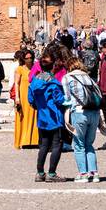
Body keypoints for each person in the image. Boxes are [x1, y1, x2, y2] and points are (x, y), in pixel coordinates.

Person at [28, 54, 68, 182]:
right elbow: (59, 100)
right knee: (57, 145)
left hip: (42, 118)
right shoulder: (54, 84)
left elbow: (31, 100)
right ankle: (51, 173)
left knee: (43, 146)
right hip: (54, 117)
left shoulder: (34, 82)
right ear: (52, 67)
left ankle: (40, 173)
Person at [63, 56, 101, 182]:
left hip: (79, 112)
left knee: (79, 144)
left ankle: (83, 174)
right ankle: (94, 173)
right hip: (94, 112)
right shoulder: (88, 77)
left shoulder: (67, 78)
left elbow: (67, 98)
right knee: (89, 144)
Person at [12, 48, 39, 149]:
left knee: (34, 116)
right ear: (23, 59)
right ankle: (24, 140)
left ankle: (34, 140)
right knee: (23, 117)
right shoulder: (19, 69)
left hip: (34, 96)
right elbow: (16, 84)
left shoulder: (35, 69)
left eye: (31, 58)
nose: (29, 60)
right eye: (27, 58)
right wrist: (17, 98)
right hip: (23, 97)